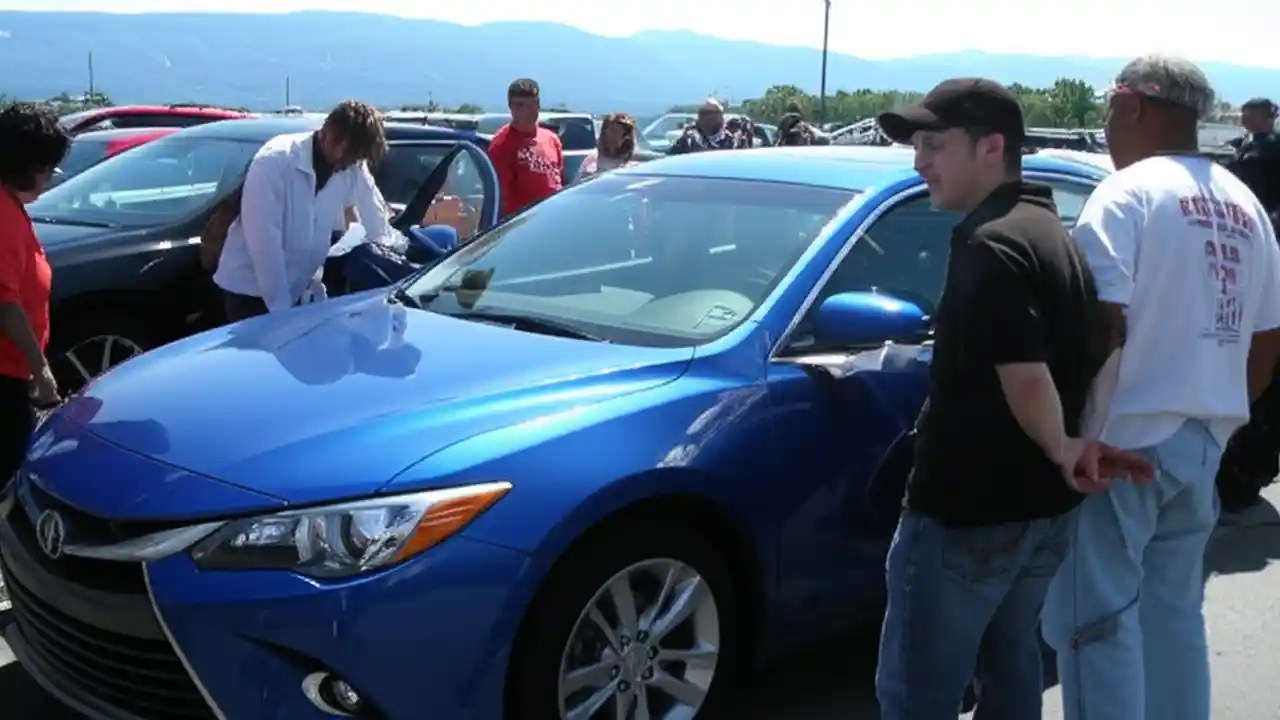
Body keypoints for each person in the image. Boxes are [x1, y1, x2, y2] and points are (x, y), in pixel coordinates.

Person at [871, 78, 1152, 719]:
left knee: (918, 693)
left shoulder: (990, 243)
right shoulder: (1051, 231)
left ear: (992, 147)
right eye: (917, 146)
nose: (920, 162)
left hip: (967, 515)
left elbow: (1025, 374)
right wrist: (1070, 448)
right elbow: (1106, 346)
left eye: (935, 145)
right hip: (1038, 514)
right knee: (1011, 668)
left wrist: (1064, 445)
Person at [1041, 56, 1280, 720]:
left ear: (1136, 105)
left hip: (1121, 445)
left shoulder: (1126, 193)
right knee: (1173, 616)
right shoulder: (1245, 205)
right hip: (1202, 441)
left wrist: (1078, 436)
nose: (1105, 122)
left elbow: (1102, 321)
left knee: (1096, 625)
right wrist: (1223, 419)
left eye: (1109, 107)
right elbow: (1266, 340)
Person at [212, 100, 395, 322]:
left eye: (357, 159)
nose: (350, 164)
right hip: (250, 292)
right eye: (349, 156)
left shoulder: (352, 165)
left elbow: (372, 216)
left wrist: (392, 256)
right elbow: (265, 243)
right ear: (330, 136)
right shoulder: (274, 162)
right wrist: (281, 313)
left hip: (302, 290)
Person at [0, 102, 70, 481]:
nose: (49, 176)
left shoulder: (10, 206)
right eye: (47, 167)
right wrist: (39, 369)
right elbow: (4, 302)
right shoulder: (2, 215)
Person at [487, 78, 564, 218]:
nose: (525, 111)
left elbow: (558, 177)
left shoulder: (552, 140)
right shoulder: (501, 144)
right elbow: (500, 196)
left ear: (538, 106)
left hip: (553, 217)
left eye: (530, 105)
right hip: (522, 223)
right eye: (519, 105)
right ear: (510, 107)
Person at [1227, 97, 1280, 220]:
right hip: (1245, 208)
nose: (1244, 118)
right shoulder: (1242, 143)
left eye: (1252, 114)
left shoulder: (1274, 144)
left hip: (1268, 210)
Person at [576, 112, 639, 181]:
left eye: (616, 132)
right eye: (609, 131)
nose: (611, 137)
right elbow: (577, 183)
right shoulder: (594, 157)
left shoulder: (636, 161)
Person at [667, 98, 744, 154]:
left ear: (721, 116)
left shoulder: (733, 138)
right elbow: (671, 159)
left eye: (712, 112)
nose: (708, 117)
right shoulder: (689, 139)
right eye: (704, 113)